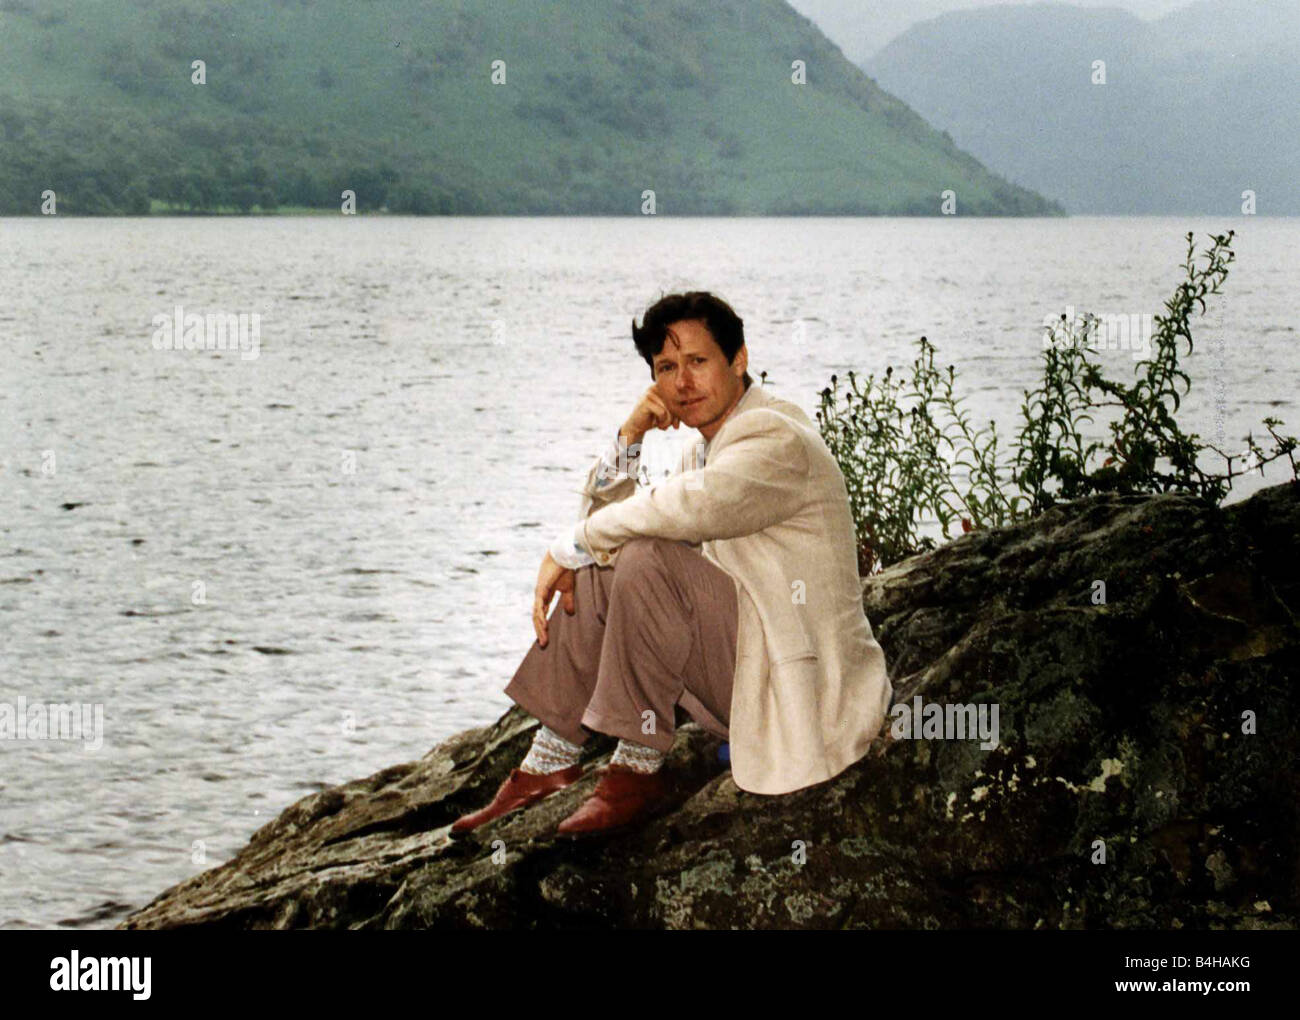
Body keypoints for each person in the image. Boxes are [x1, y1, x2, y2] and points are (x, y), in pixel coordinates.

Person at [450, 291, 892, 840]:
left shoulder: (775, 437)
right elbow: (610, 534)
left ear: (739, 360)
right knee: (610, 557)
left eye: (698, 362)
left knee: (640, 553)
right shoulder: (703, 448)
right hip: (743, 668)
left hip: (806, 689)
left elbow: (689, 509)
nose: (683, 382)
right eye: (666, 368)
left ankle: (636, 767)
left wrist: (570, 545)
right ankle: (551, 759)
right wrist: (630, 436)